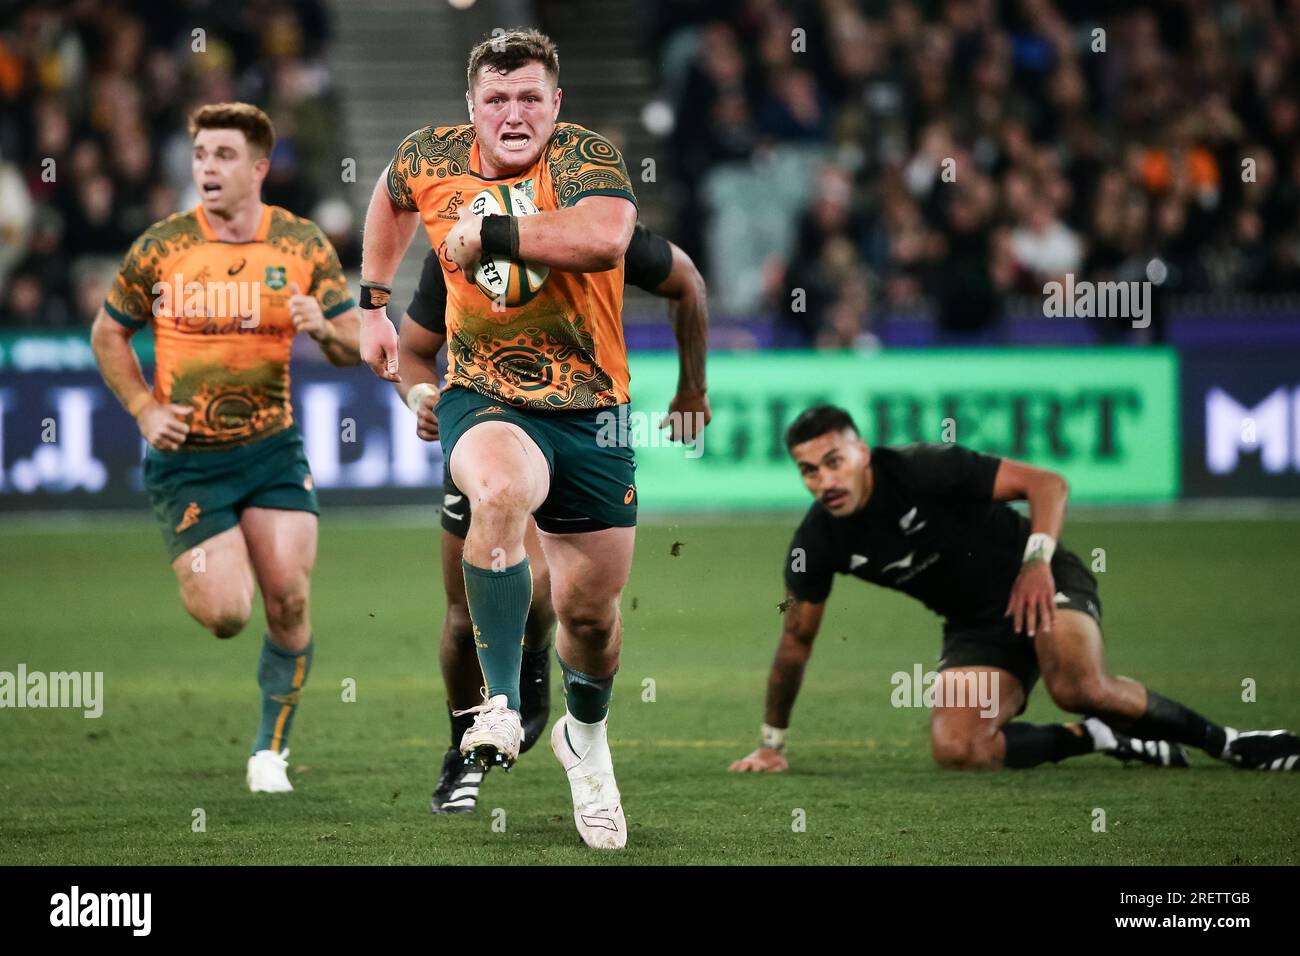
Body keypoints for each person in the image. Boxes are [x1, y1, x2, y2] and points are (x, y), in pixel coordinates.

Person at [356, 29, 709, 848]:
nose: (513, 114)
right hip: (487, 399)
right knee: (500, 493)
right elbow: (388, 190)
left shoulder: (586, 161)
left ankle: (584, 736)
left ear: (557, 105)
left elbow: (605, 241)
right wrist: (371, 300)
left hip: (595, 414)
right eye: (496, 99)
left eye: (529, 98)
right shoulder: (430, 158)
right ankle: (500, 710)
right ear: (470, 108)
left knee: (591, 618)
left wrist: (495, 234)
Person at [730, 405, 1300, 774]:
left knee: (1076, 683)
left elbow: (1047, 484)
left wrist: (1037, 562)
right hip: (978, 627)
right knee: (958, 749)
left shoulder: (925, 469)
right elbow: (795, 644)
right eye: (809, 471)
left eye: (834, 461)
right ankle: (1100, 738)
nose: (825, 480)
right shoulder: (819, 540)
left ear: (862, 453)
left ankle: (1230, 741)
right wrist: (771, 742)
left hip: (1045, 580)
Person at [90, 103, 361, 793]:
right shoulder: (162, 246)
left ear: (260, 168)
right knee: (227, 614)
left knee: (291, 602)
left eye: (223, 156)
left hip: (271, 452)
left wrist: (325, 333)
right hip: (189, 463)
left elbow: (358, 346)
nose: (206, 168)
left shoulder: (301, 246)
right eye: (201, 154)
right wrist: (145, 407)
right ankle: (209, 552)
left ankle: (269, 752)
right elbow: (108, 333)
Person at [397, 224, 709, 813]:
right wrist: (418, 396)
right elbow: (414, 350)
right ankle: (465, 746)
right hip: (485, 422)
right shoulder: (457, 239)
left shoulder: (596, 230)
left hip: (583, 426)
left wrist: (692, 388)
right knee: (466, 617)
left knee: (556, 600)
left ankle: (531, 674)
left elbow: (687, 281)